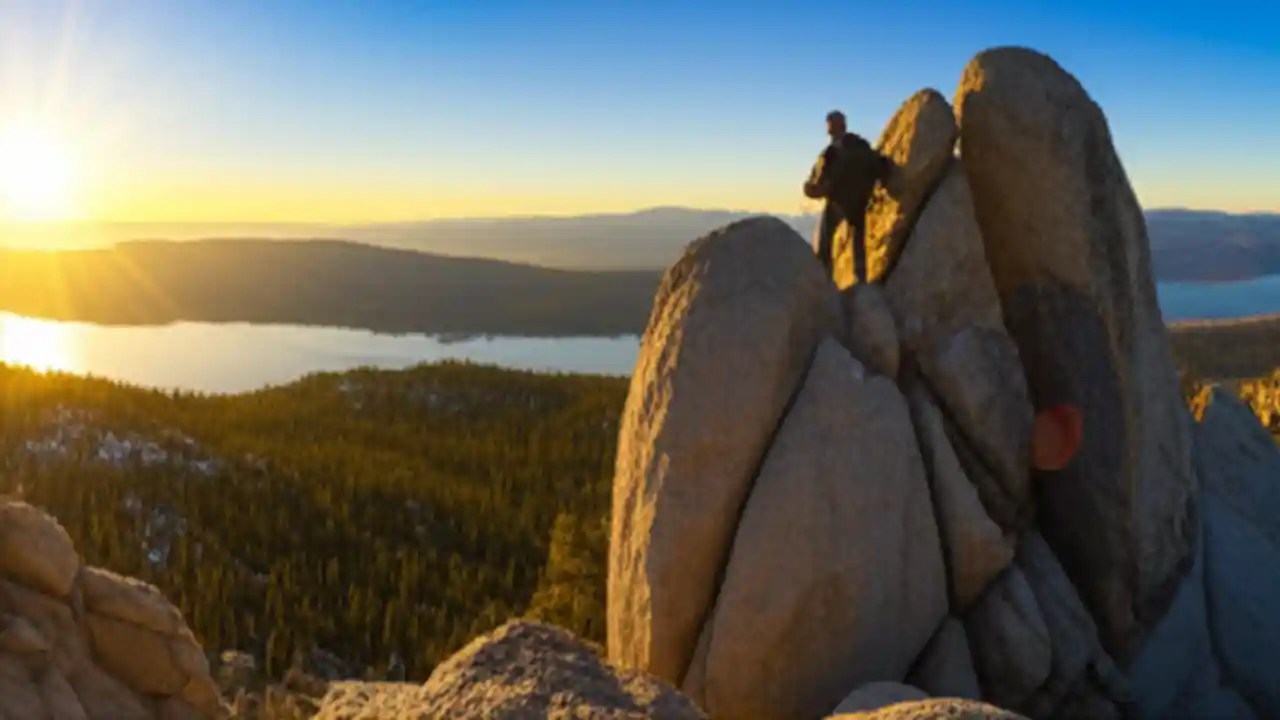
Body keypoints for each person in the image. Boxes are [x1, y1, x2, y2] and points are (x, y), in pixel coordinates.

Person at [804, 110, 891, 282]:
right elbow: (879, 165)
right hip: (854, 202)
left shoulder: (836, 151)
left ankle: (827, 283)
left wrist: (813, 189)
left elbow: (816, 183)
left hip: (841, 202)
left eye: (831, 125)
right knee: (855, 243)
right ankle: (859, 281)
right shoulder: (855, 146)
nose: (829, 129)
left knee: (826, 245)